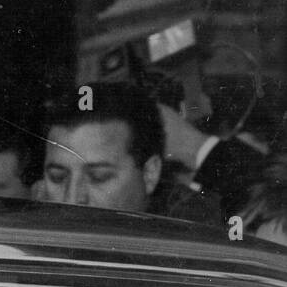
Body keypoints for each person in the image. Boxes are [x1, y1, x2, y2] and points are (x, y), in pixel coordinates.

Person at [42, 84, 220, 224]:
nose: (72, 200)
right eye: (57, 178)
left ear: (150, 174)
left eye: (98, 177)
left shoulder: (197, 236)